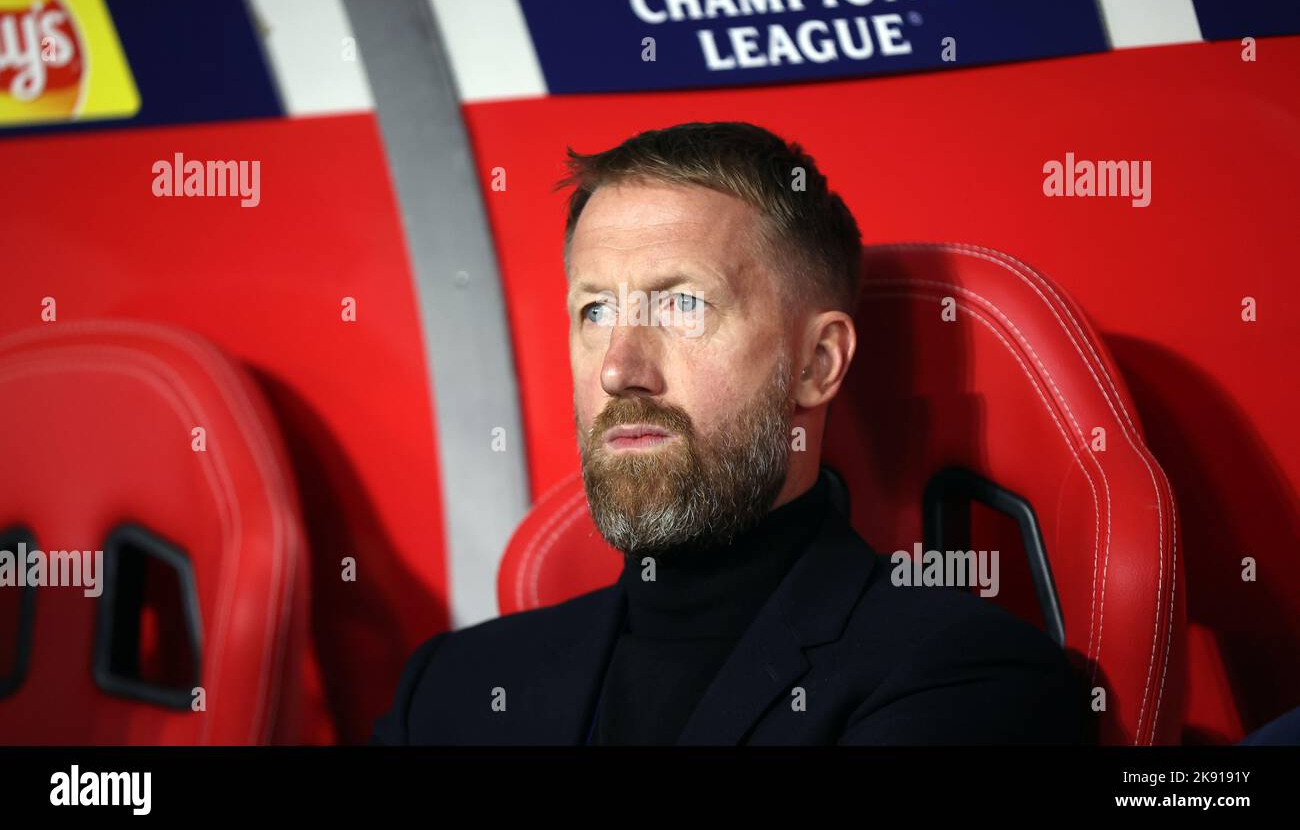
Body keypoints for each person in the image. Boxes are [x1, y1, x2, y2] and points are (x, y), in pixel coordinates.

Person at [370, 121, 1084, 745]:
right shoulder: (450, 688)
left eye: (682, 304)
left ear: (816, 362)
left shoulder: (960, 681)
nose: (620, 369)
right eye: (594, 312)